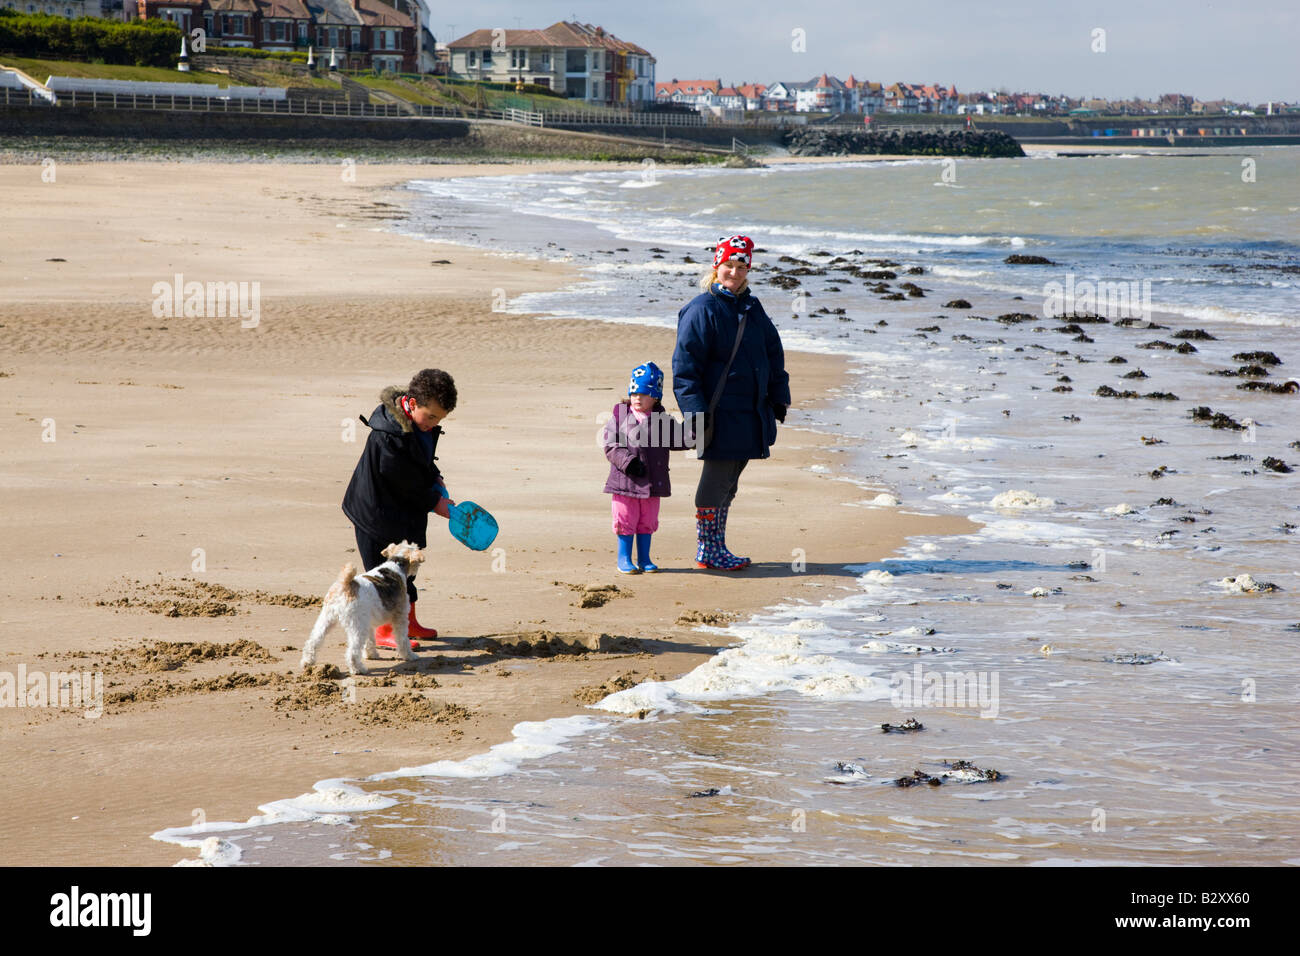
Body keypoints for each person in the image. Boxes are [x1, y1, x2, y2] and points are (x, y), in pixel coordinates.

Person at [672, 235, 790, 570]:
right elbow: (685, 369)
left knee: (731, 481)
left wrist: (779, 396)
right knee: (717, 478)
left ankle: (717, 546)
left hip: (752, 412)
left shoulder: (752, 307)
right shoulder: (700, 309)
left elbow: (773, 353)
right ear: (716, 266)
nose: (735, 273)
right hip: (718, 413)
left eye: (741, 267)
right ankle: (707, 550)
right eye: (729, 266)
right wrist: (695, 414)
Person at [341, 368, 457, 648]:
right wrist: (435, 502)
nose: (433, 423)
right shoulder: (389, 434)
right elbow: (402, 480)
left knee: (406, 567)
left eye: (439, 418)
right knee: (383, 573)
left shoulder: (420, 426)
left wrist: (434, 475)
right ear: (412, 403)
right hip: (375, 512)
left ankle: (408, 622)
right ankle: (383, 631)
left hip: (402, 510)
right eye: (430, 416)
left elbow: (421, 461)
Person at [602, 362, 691, 573]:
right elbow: (610, 445)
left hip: (652, 483)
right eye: (634, 393)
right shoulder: (620, 417)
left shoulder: (663, 421)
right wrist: (629, 463)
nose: (637, 398)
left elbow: (680, 439)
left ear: (655, 397)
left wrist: (695, 432)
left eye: (643, 394)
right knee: (625, 519)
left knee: (647, 521)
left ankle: (644, 558)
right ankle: (624, 559)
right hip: (626, 482)